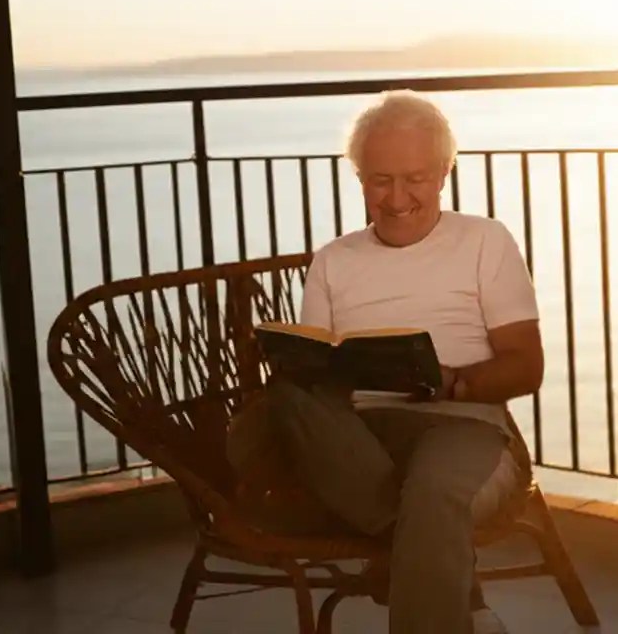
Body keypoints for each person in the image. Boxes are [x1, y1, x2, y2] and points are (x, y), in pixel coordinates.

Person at [226, 90, 543, 634]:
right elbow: (315, 374)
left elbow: (526, 368)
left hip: (462, 424)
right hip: (356, 435)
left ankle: (436, 577)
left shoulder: (484, 241)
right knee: (290, 398)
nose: (397, 199)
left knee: (433, 491)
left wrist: (455, 383)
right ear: (359, 177)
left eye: (415, 178)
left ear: (445, 172)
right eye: (379, 180)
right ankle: (452, 584)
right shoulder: (334, 261)